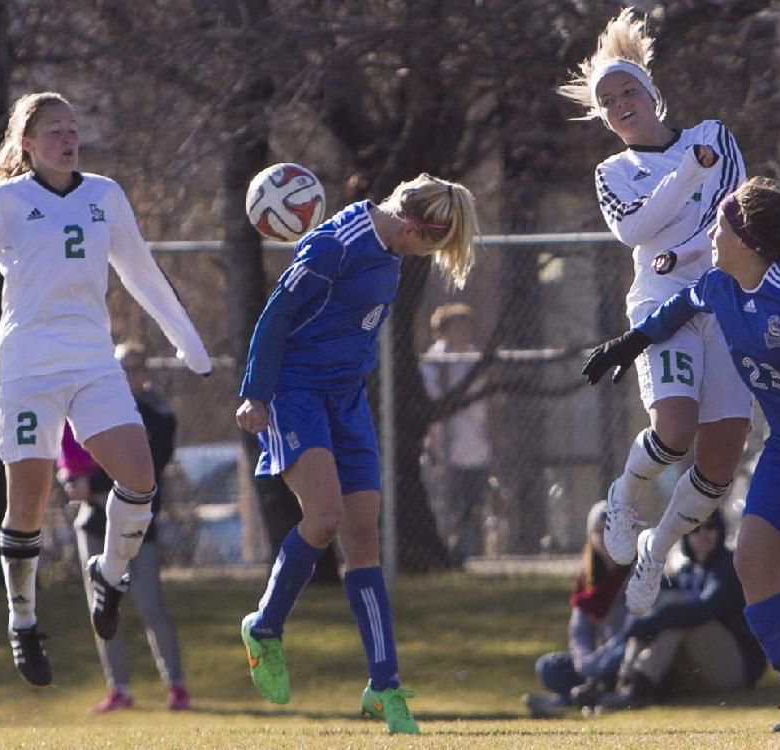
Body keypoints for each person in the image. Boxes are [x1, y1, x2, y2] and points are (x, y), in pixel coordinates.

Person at [0, 92, 212, 687]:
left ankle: (109, 574)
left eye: (73, 128)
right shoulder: (5, 200)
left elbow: (142, 274)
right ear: (27, 144)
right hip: (27, 368)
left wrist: (188, 340)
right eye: (54, 130)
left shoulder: (105, 195)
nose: (68, 138)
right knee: (26, 505)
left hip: (91, 362)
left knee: (139, 477)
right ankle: (23, 619)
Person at [582, 177, 780, 731]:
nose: (712, 232)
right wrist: (632, 341)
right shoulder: (719, 287)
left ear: (750, 240)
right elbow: (679, 306)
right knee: (753, 564)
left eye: (723, 224)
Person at [235, 172, 481, 734]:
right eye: (432, 244)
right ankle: (265, 629)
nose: (429, 255)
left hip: (348, 402)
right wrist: (255, 392)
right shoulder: (333, 246)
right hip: (297, 394)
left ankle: (384, 687)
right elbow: (275, 316)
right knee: (322, 520)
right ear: (414, 225)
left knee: (364, 541)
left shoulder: (390, 246)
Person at [558, 7, 752, 616]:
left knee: (722, 458)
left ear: (652, 92)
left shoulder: (714, 137)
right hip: (662, 306)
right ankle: (624, 494)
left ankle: (656, 547)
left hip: (724, 302)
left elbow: (737, 214)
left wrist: (690, 242)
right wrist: (686, 184)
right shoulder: (614, 170)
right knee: (675, 429)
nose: (620, 104)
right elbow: (637, 229)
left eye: (628, 91)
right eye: (608, 101)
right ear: (604, 118)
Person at [58, 341, 190, 713]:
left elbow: (146, 470)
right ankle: (119, 688)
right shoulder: (93, 408)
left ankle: (176, 686)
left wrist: (93, 486)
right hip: (94, 523)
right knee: (103, 609)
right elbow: (72, 455)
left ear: (145, 372)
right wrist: (73, 482)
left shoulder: (158, 416)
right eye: (122, 368)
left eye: (135, 368)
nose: (128, 375)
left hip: (137, 527)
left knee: (151, 606)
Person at [598, 509, 765, 710]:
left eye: (710, 526)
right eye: (696, 529)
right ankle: (622, 682)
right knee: (658, 609)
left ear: (720, 530)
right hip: (700, 671)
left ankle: (637, 687)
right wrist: (642, 621)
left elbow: (705, 609)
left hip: (735, 668)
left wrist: (650, 622)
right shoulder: (687, 572)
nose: (704, 533)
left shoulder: (729, 567)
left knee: (675, 615)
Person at [523, 500, 631, 718]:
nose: (607, 538)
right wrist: (584, 660)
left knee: (617, 661)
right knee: (548, 666)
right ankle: (582, 696)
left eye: (613, 531)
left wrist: (602, 658)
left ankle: (566, 700)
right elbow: (579, 633)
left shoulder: (637, 575)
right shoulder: (586, 582)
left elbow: (635, 630)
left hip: (623, 657)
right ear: (591, 536)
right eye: (600, 531)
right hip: (593, 663)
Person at [420, 302, 491, 564]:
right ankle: (451, 550)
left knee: (474, 502)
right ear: (444, 331)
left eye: (466, 327)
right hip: (444, 444)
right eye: (457, 327)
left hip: (476, 445)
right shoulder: (433, 363)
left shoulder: (475, 359)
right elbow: (430, 403)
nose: (463, 332)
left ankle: (470, 551)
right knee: (449, 502)